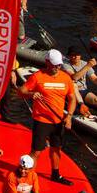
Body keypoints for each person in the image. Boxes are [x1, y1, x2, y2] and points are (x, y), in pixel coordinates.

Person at [18, 49, 77, 183]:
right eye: (55, 64)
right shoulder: (38, 76)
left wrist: (69, 117)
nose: (57, 67)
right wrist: (31, 94)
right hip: (41, 120)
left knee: (57, 149)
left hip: (58, 121)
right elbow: (21, 91)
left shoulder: (65, 78)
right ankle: (27, 178)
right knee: (36, 152)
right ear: (47, 62)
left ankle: (55, 175)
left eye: (59, 65)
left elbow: (72, 99)